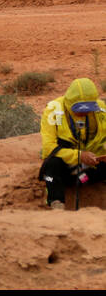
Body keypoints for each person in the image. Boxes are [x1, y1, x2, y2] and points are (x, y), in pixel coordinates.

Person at [39, 77, 106, 209]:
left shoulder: (102, 110)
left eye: (88, 109)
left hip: (86, 174)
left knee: (89, 175)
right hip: (62, 169)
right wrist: (79, 156)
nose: (84, 112)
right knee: (51, 167)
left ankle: (81, 182)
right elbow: (48, 148)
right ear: (70, 102)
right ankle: (56, 203)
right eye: (79, 108)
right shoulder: (53, 110)